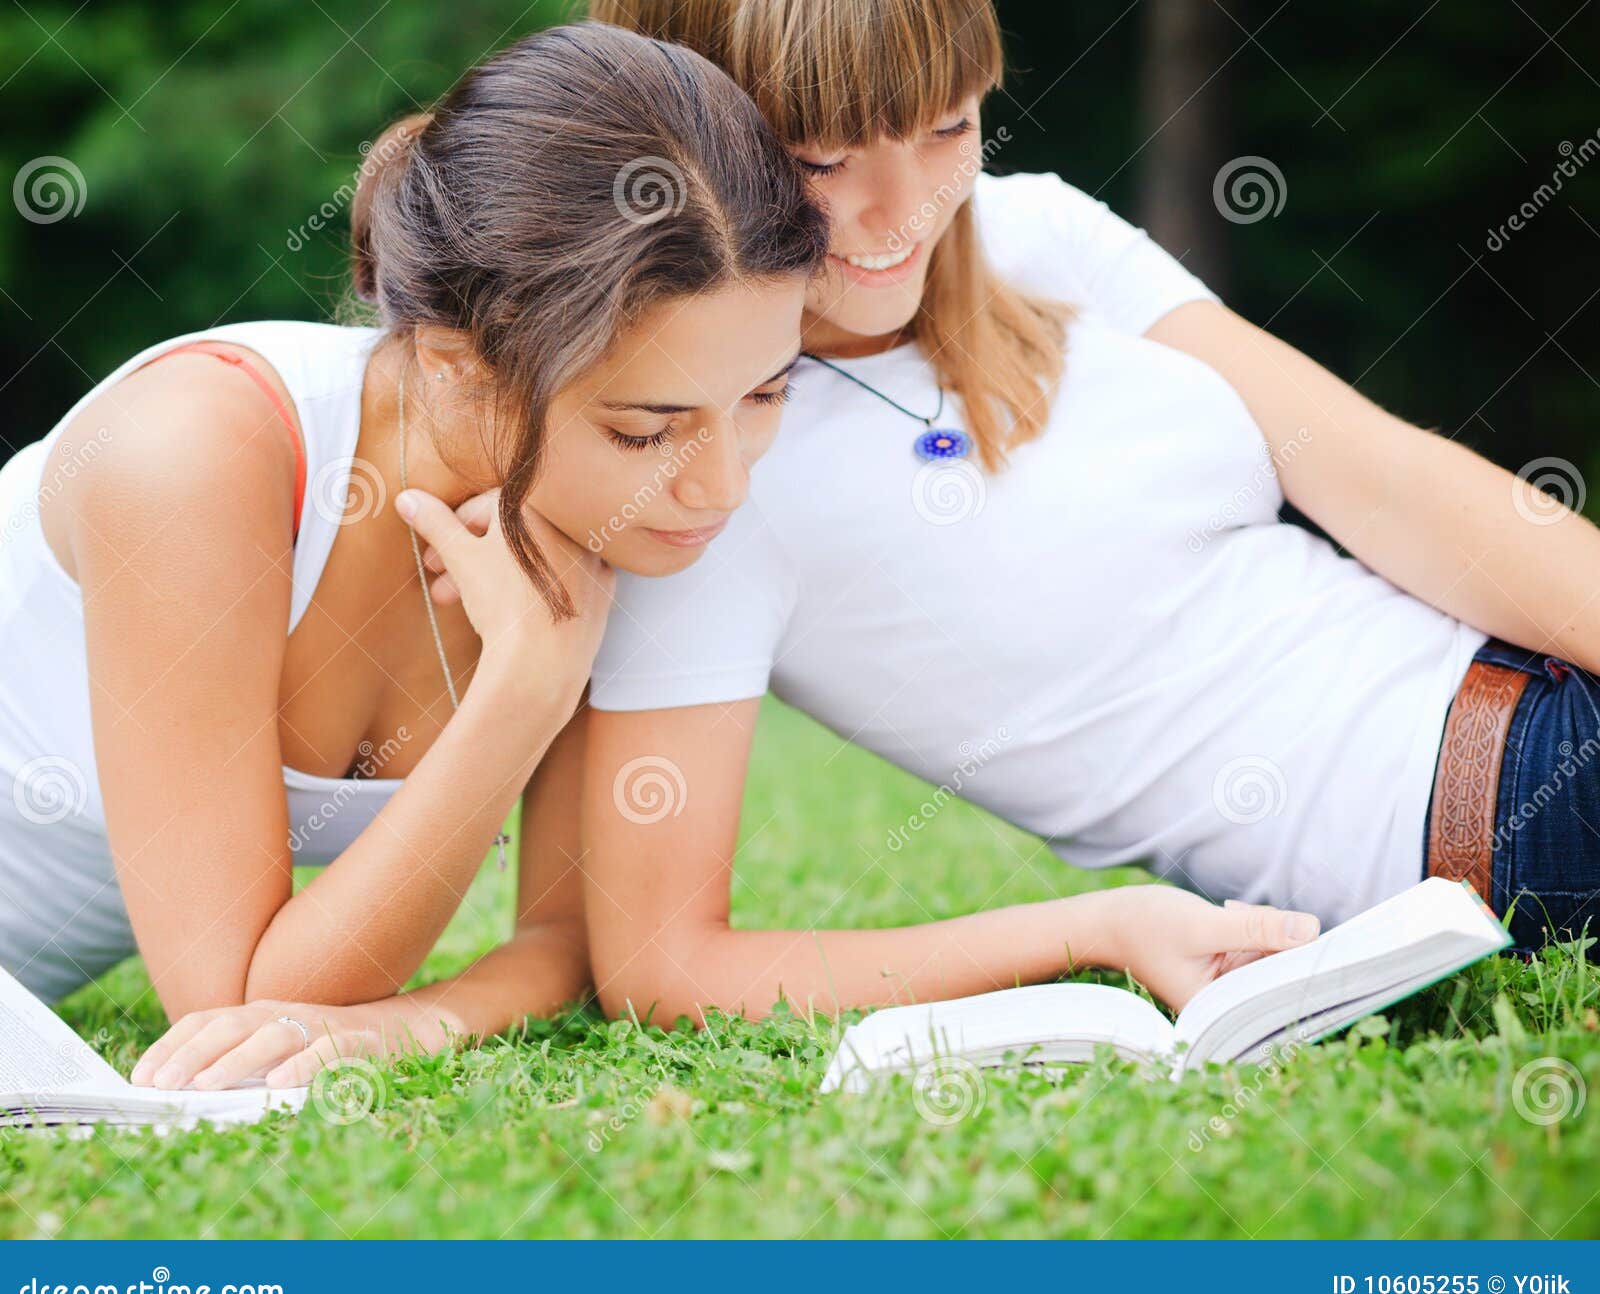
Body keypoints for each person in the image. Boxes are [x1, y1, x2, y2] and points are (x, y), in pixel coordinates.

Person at [573, 0, 1600, 1028]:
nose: (906, 211)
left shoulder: (1040, 232)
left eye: (946, 127)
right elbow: (663, 961)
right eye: (825, 161)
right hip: (1489, 816)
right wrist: (1095, 929)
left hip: (1549, 680)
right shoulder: (702, 480)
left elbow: (1386, 478)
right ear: (692, 139)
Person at [0, 22, 826, 1089]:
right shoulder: (196, 456)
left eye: (765, 394)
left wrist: (412, 1024)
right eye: (642, 429)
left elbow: (566, 938)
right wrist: (526, 690)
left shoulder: (613, 517)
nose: (721, 485)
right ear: (458, 365)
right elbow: (235, 1003)